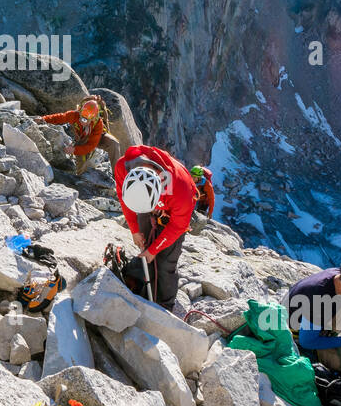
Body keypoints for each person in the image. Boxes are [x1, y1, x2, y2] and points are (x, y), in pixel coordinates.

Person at [112, 145, 198, 311]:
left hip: (172, 212)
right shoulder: (124, 167)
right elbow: (125, 199)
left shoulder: (181, 187)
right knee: (145, 249)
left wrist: (155, 250)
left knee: (166, 262)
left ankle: (165, 305)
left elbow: (178, 226)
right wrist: (135, 230)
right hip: (147, 202)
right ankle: (142, 286)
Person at [40, 96, 109, 174]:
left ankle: (80, 176)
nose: (82, 121)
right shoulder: (75, 115)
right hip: (81, 138)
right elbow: (59, 117)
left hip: (90, 141)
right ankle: (78, 173)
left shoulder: (98, 124)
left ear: (92, 119)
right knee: (81, 155)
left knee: (83, 158)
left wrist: (75, 150)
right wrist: (43, 119)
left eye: (85, 120)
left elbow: (91, 145)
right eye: (81, 117)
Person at [189, 165, 214, 232]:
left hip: (203, 202)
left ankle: (195, 229)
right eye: (192, 176)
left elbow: (211, 198)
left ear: (199, 178)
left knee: (200, 215)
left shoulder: (207, 185)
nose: (192, 178)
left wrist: (210, 212)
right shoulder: (191, 180)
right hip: (195, 197)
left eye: (194, 177)